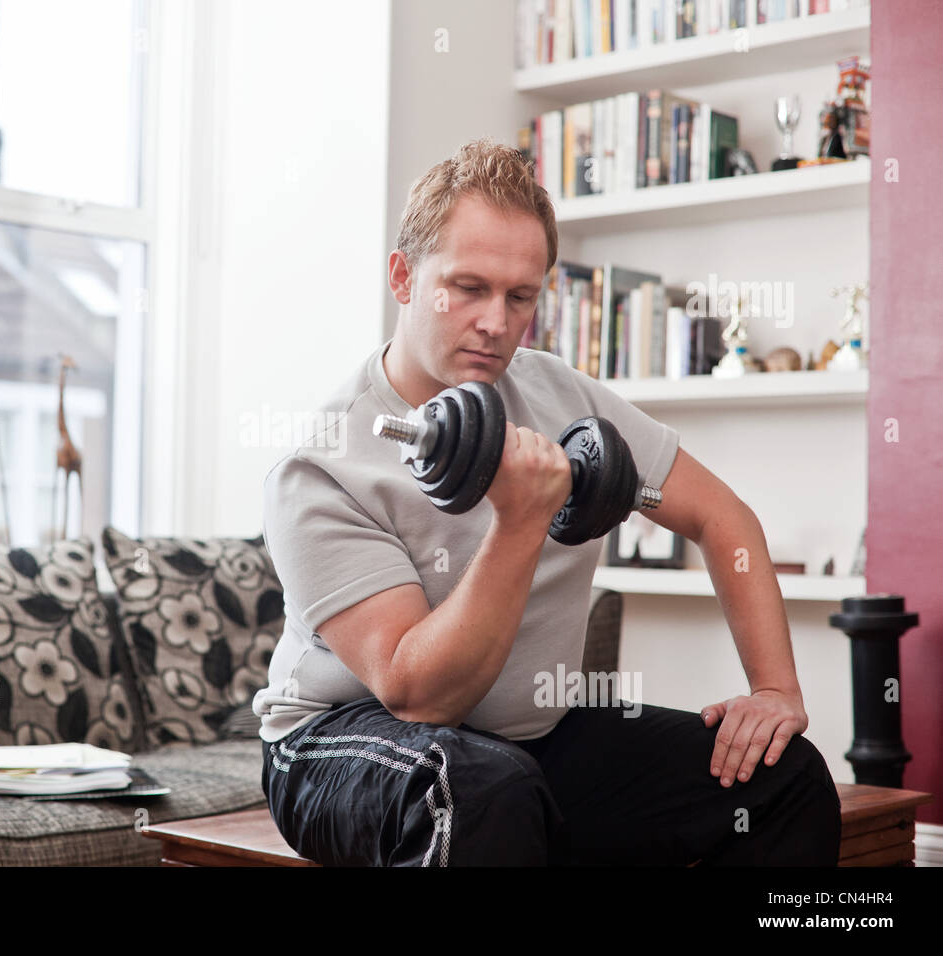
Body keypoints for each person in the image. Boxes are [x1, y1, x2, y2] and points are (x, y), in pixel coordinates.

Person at [250, 138, 841, 867]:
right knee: (476, 789)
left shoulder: (559, 394)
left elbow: (724, 521)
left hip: (526, 741)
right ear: (404, 277)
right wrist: (522, 517)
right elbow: (418, 696)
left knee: (786, 779)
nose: (497, 323)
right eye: (468, 288)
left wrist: (776, 689)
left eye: (520, 295)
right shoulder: (319, 467)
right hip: (340, 742)